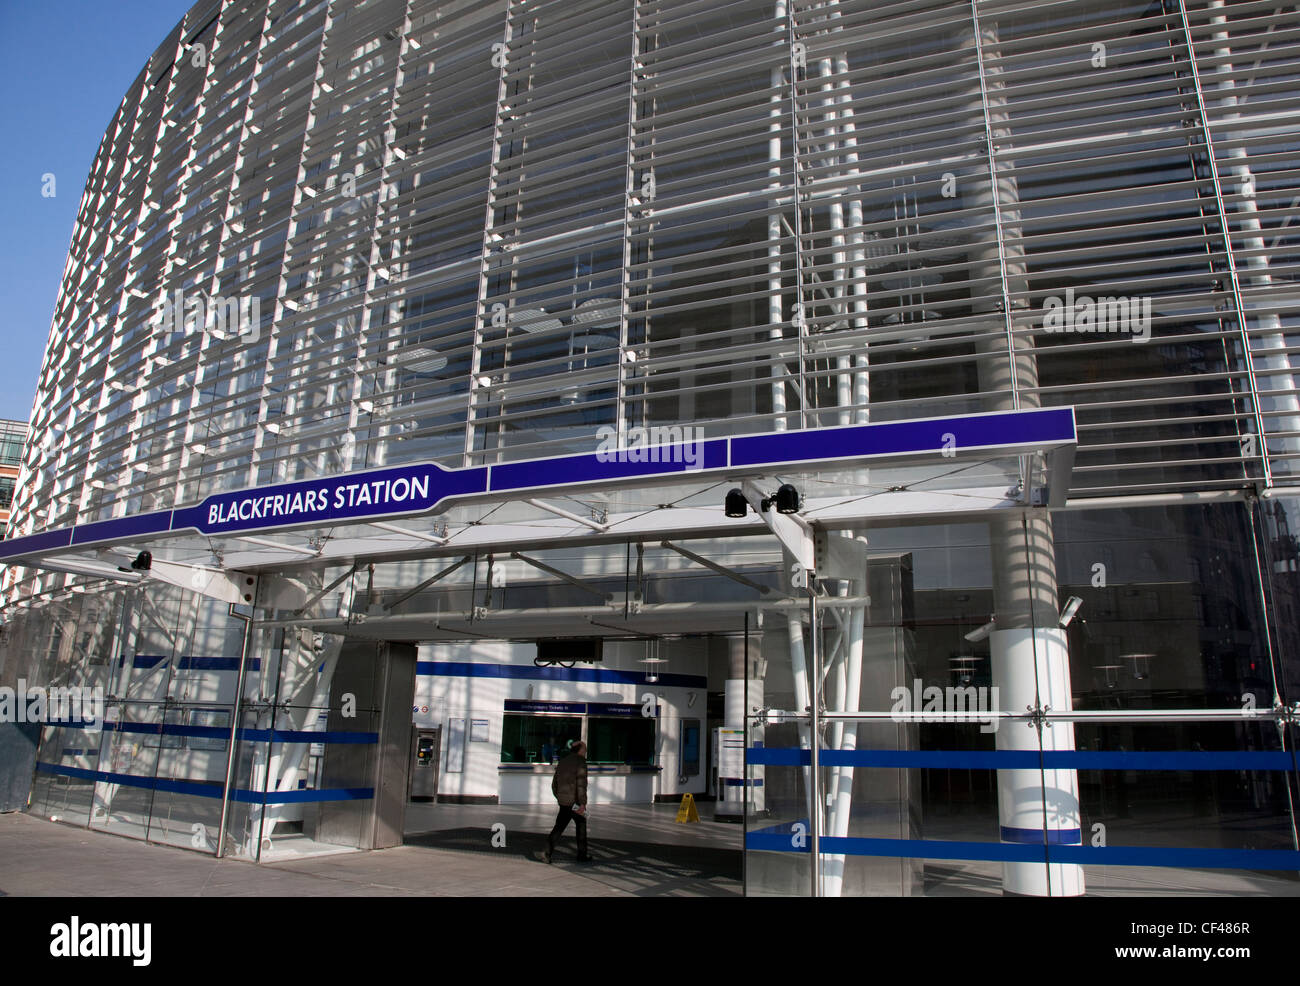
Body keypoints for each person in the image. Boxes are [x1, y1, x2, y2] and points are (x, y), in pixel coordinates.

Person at [544, 740, 590, 863]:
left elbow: (554, 783)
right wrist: (582, 803)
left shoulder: (563, 761)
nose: (585, 752)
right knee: (581, 825)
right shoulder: (581, 762)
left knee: (559, 827)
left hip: (564, 802)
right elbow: (581, 785)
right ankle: (582, 855)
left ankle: (548, 852)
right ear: (580, 750)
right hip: (575, 803)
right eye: (584, 749)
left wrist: (559, 797)